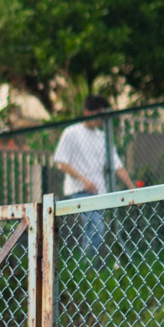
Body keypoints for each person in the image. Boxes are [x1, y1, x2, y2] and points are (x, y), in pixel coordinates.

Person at [53, 95, 132, 256]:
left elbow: (117, 165)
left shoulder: (102, 137)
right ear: (88, 113)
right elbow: (61, 162)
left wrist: (132, 188)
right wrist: (84, 180)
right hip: (80, 190)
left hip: (99, 192)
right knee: (95, 227)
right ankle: (88, 264)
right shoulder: (71, 133)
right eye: (99, 114)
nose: (101, 118)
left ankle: (87, 265)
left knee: (93, 229)